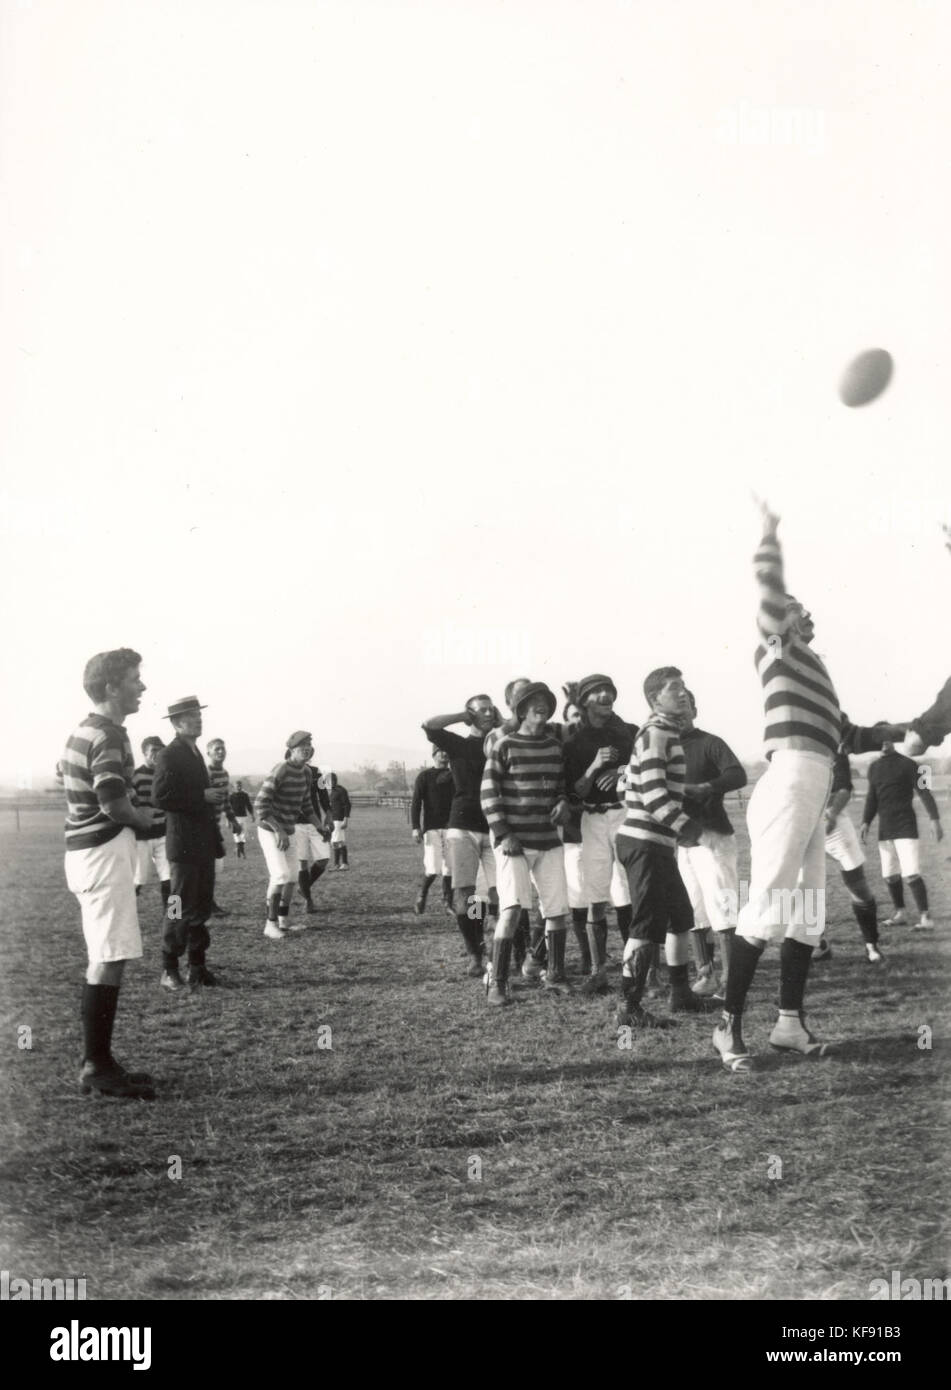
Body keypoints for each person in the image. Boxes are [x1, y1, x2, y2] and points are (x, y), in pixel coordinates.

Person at [712, 500, 908, 1073]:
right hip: (791, 777)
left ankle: (789, 1026)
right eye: (794, 609)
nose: (801, 612)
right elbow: (771, 593)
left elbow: (852, 732)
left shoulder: (817, 669)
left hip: (817, 781)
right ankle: (727, 1027)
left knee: (807, 913)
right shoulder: (778, 648)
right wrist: (769, 535)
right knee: (769, 903)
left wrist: (915, 729)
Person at [62, 648, 158, 1099]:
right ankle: (96, 1066)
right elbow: (113, 802)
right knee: (108, 955)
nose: (142, 686)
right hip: (101, 852)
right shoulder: (110, 735)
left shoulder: (87, 730)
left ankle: (100, 1060)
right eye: (135, 679)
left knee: (107, 953)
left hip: (90, 853)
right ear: (111, 686)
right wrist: (148, 820)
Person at [614, 668, 715, 1029]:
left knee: (681, 916)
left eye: (685, 687)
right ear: (655, 698)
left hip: (653, 843)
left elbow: (629, 788)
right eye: (675, 689)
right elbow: (655, 798)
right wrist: (693, 831)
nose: (684, 694)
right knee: (644, 927)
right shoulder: (657, 735)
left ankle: (680, 995)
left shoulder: (658, 734)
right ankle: (628, 1012)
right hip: (645, 844)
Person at [480, 683, 570, 1004]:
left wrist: (562, 802)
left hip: (548, 840)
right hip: (513, 843)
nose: (541, 706)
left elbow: (560, 787)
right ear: (520, 710)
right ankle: (499, 983)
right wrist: (504, 834)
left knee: (557, 911)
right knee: (512, 910)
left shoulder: (554, 747)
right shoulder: (504, 746)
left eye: (545, 701)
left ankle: (555, 975)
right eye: (533, 702)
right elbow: (488, 795)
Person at [563, 674, 638, 994]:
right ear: (584, 701)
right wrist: (594, 767)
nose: (606, 695)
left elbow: (648, 765)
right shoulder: (575, 743)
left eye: (609, 690)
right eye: (597, 692)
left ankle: (641, 970)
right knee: (595, 897)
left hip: (625, 814)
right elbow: (575, 793)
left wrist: (622, 770)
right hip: (591, 820)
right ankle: (598, 972)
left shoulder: (629, 732)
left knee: (631, 895)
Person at [422, 695, 502, 977]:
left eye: (491, 708)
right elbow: (429, 725)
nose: (489, 713)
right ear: (471, 713)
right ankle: (475, 953)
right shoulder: (458, 744)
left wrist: (501, 724)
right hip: (463, 824)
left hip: (495, 825)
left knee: (496, 893)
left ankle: (501, 949)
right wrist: (461, 715)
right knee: (468, 895)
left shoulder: (501, 743)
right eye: (482, 709)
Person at [152, 696, 226, 989]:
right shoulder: (170, 755)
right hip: (182, 846)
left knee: (201, 906)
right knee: (177, 905)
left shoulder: (195, 753)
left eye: (198, 715)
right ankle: (169, 968)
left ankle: (197, 966)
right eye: (190, 716)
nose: (197, 719)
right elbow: (160, 797)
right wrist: (202, 797)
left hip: (203, 844)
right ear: (175, 723)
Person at [677, 690, 747, 997]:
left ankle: (733, 978)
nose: (679, 714)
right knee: (692, 909)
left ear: (695, 708)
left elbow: (737, 774)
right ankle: (706, 974)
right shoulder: (663, 749)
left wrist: (708, 787)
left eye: (685, 707)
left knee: (723, 906)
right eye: (674, 708)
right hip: (683, 842)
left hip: (713, 839)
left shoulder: (710, 743)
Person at [861, 741, 943, 930]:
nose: (883, 743)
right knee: (890, 875)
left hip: (906, 826)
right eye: (879, 739)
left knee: (911, 873)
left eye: (887, 738)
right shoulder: (873, 767)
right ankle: (900, 913)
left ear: (893, 741)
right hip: (885, 829)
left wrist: (935, 819)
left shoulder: (911, 764)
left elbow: (925, 791)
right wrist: (865, 821)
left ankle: (925, 918)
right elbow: (871, 798)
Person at [255, 731, 325, 938]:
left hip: (288, 829)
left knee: (292, 877)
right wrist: (278, 831)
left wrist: (319, 827)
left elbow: (306, 805)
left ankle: (283, 921)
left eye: (310, 745)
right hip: (271, 829)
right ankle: (270, 924)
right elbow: (260, 804)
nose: (307, 749)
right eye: (303, 745)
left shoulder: (306, 773)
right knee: (281, 875)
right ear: (291, 749)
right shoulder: (281, 770)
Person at [823, 750, 883, 962]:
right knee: (804, 886)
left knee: (857, 885)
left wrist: (830, 814)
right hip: (803, 823)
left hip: (834, 823)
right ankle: (819, 944)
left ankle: (871, 945)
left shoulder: (836, 753)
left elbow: (844, 788)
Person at [410, 750, 455, 915]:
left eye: (446, 751)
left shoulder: (455, 775)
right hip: (432, 828)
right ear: (434, 755)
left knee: (450, 868)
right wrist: (416, 827)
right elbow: (416, 803)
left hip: (452, 827)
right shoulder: (424, 776)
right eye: (440, 751)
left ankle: (447, 901)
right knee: (433, 867)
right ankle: (422, 894)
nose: (444, 754)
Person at [131, 736, 171, 912]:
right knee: (139, 879)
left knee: (171, 878)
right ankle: (125, 913)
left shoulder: (165, 775)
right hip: (142, 837)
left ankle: (173, 916)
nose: (157, 754)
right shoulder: (135, 775)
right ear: (144, 753)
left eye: (160, 750)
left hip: (163, 834)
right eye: (153, 750)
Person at [295, 759, 333, 913]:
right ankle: (308, 900)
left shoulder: (318, 772)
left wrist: (329, 815)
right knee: (302, 862)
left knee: (324, 859)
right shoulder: (288, 773)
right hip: (296, 824)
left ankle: (304, 887)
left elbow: (323, 795)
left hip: (315, 822)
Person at [206, 737, 237, 916]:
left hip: (212, 827)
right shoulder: (203, 773)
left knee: (212, 868)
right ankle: (173, 915)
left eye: (222, 749)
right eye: (216, 749)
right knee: (177, 879)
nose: (220, 752)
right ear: (208, 752)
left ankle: (208, 904)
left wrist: (232, 820)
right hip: (198, 828)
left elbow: (225, 800)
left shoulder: (224, 774)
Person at [329, 775, 352, 869]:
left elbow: (347, 805)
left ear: (333, 780)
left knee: (339, 841)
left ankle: (345, 864)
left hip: (339, 819)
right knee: (334, 842)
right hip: (333, 819)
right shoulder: (332, 791)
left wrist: (346, 820)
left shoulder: (341, 790)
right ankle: (337, 864)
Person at [229, 780, 255, 858]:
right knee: (237, 834)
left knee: (243, 835)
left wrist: (252, 815)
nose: (239, 787)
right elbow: (228, 808)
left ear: (241, 786)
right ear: (234, 786)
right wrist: (228, 820)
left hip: (243, 817)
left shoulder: (245, 795)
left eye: (240, 785)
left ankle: (239, 849)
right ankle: (242, 851)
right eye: (237, 785)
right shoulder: (231, 796)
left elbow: (249, 805)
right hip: (235, 818)